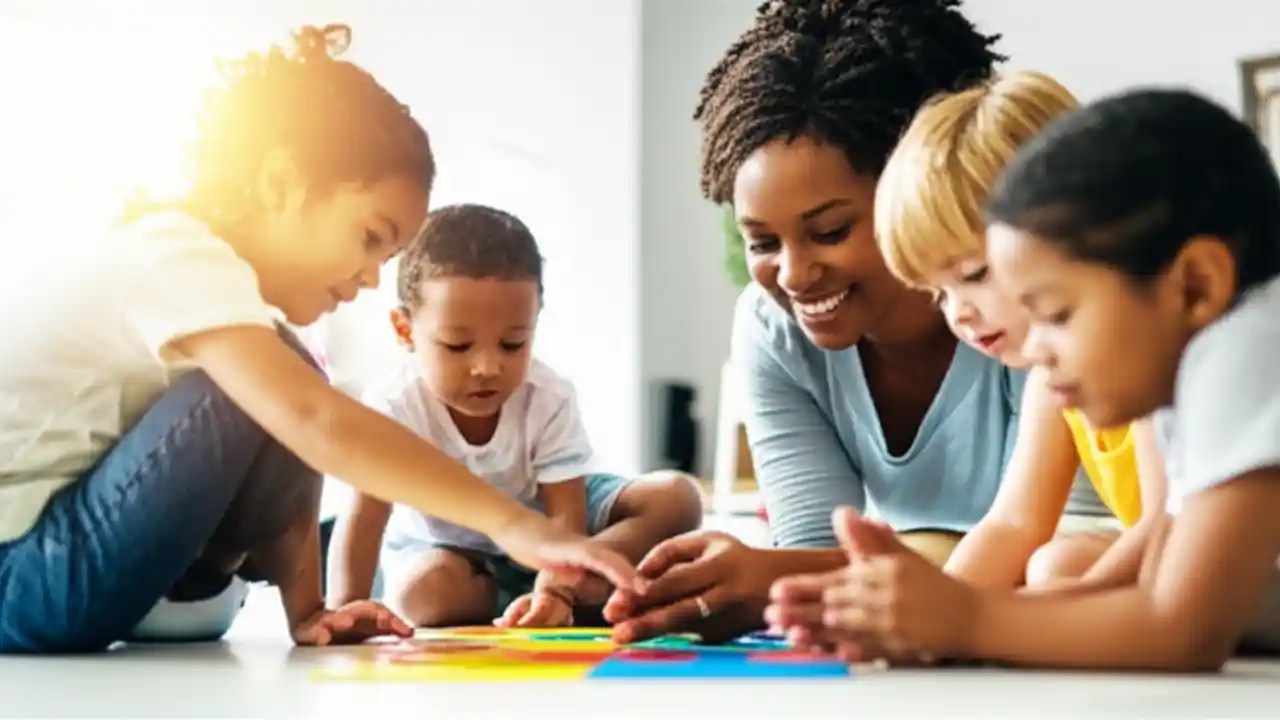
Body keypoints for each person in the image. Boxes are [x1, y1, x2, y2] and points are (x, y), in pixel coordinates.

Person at [0, 24, 637, 654]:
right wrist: (516, 526)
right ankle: (194, 591)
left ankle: (276, 601)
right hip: (24, 574)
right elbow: (312, 419)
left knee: (287, 367)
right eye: (369, 238)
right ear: (279, 184)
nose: (368, 278)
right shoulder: (174, 256)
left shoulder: (214, 295)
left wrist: (315, 614)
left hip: (60, 562)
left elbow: (302, 409)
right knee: (279, 384)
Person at [606, 0, 1108, 643]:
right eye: (761, 242)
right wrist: (769, 582)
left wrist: (820, 575)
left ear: (914, 190)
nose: (792, 275)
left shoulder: (1027, 319)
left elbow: (1064, 544)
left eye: (831, 230)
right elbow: (815, 544)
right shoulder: (773, 327)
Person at [771, 89, 1280, 670]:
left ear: (1195, 286)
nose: (1037, 347)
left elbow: (1184, 630)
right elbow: (1159, 564)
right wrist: (942, 614)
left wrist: (966, 621)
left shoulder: (1244, 350)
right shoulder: (1186, 368)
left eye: (1058, 315)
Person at [327, 204, 702, 628]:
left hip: (552, 526)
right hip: (452, 553)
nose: (487, 366)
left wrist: (558, 584)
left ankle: (575, 588)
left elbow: (566, 514)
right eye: (457, 346)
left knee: (676, 496)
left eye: (512, 344)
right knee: (423, 596)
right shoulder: (394, 405)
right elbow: (362, 518)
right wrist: (344, 610)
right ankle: (562, 594)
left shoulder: (548, 396)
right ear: (405, 331)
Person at [870, 70, 1167, 591]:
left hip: (1238, 550)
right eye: (938, 295)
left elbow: (1169, 526)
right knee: (1057, 565)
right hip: (1167, 545)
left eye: (973, 275)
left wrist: (987, 623)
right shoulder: (1050, 385)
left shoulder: (1149, 359)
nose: (957, 313)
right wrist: (941, 607)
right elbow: (1014, 524)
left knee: (1061, 577)